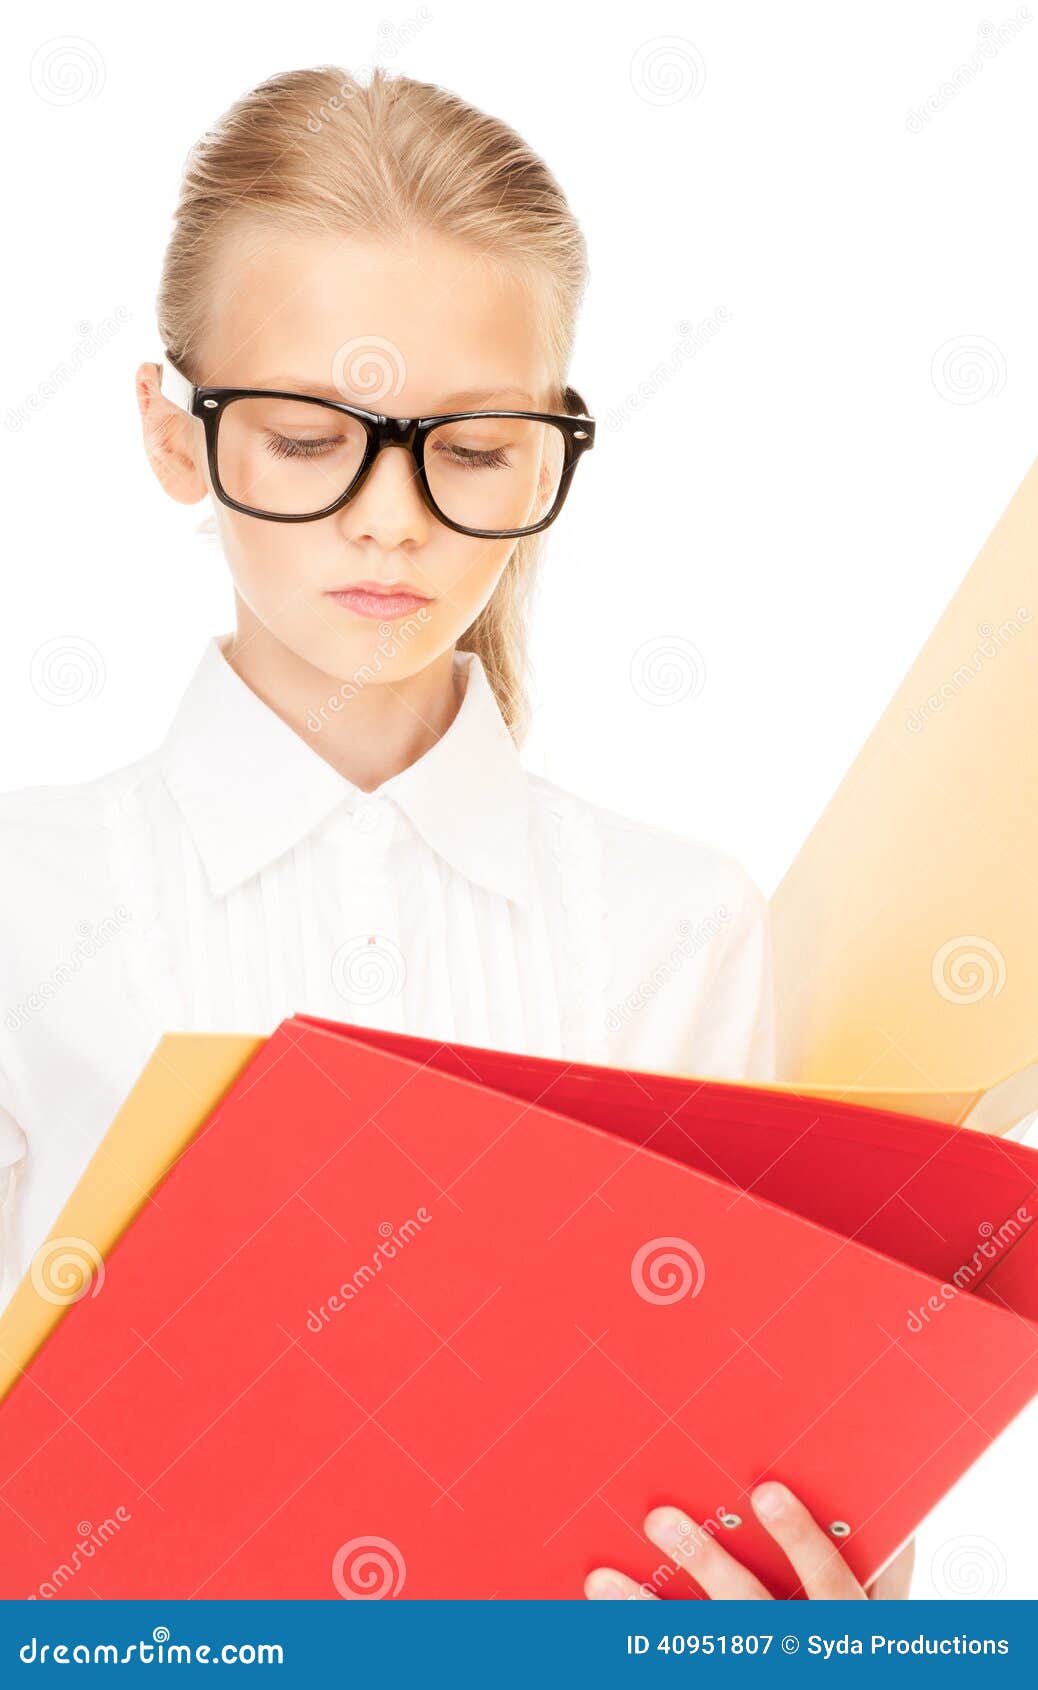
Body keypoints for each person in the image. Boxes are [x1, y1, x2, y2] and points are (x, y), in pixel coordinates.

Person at [0, 64, 909, 1600]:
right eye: (304, 438)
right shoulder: (27, 899)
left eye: (472, 450)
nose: (391, 518)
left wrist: (829, 1612)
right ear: (173, 434)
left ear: (550, 451)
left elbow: (767, 1462)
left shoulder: (680, 922)